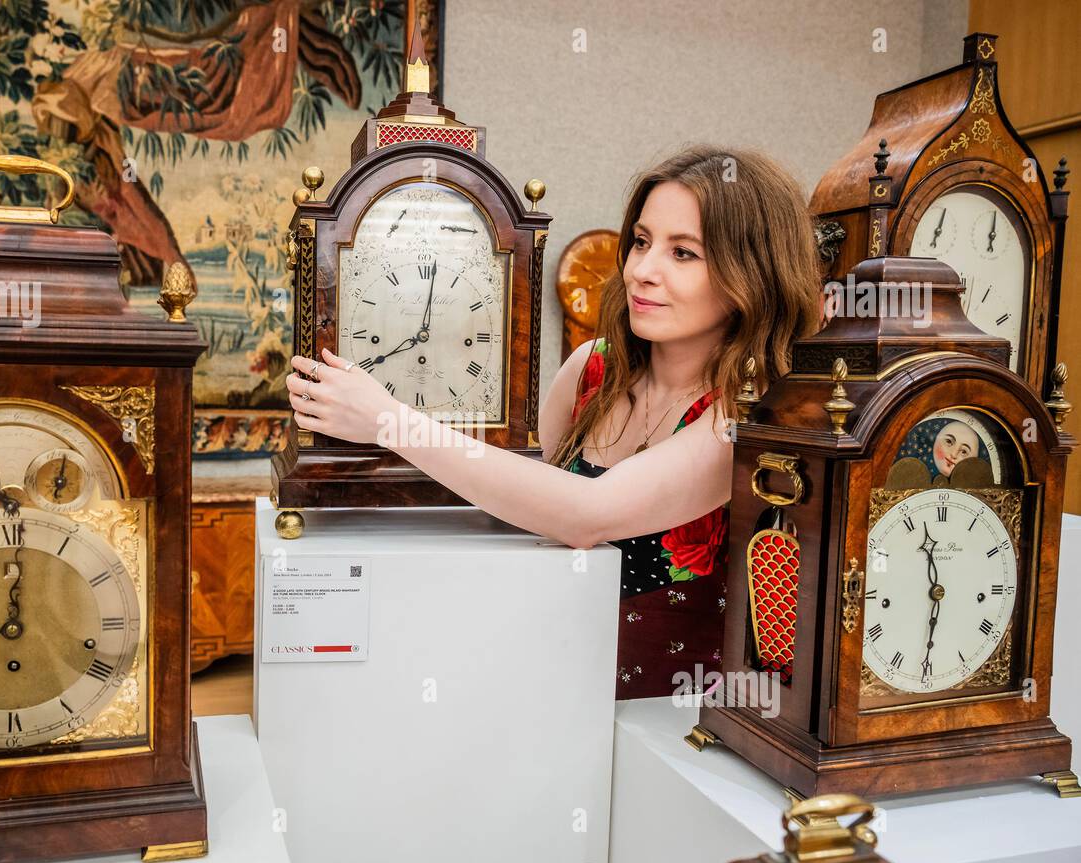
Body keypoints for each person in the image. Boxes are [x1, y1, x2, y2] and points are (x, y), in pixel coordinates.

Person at [286, 145, 823, 698]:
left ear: (753, 276)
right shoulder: (592, 367)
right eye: (640, 242)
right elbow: (520, 496)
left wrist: (391, 422)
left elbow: (585, 515)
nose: (642, 271)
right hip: (544, 679)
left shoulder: (743, 420)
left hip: (665, 721)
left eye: (683, 254)